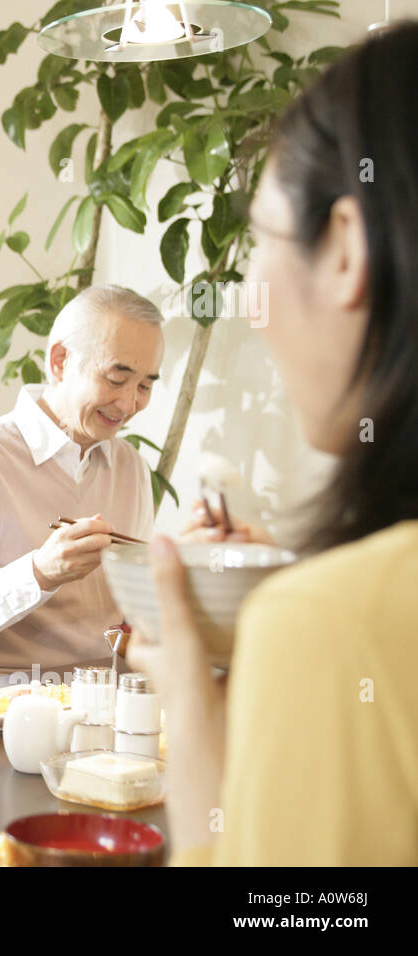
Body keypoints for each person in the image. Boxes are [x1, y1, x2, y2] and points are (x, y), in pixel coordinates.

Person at [129, 23, 418, 866]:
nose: (253, 300)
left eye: (259, 239)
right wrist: (198, 670)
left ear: (348, 252)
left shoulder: (338, 625)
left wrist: (288, 632)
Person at [0, 285, 163, 683]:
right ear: (60, 362)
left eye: (145, 386)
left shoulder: (131, 468)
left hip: (102, 699)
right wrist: (40, 573)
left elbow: (142, 611)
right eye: (117, 378)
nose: (130, 404)